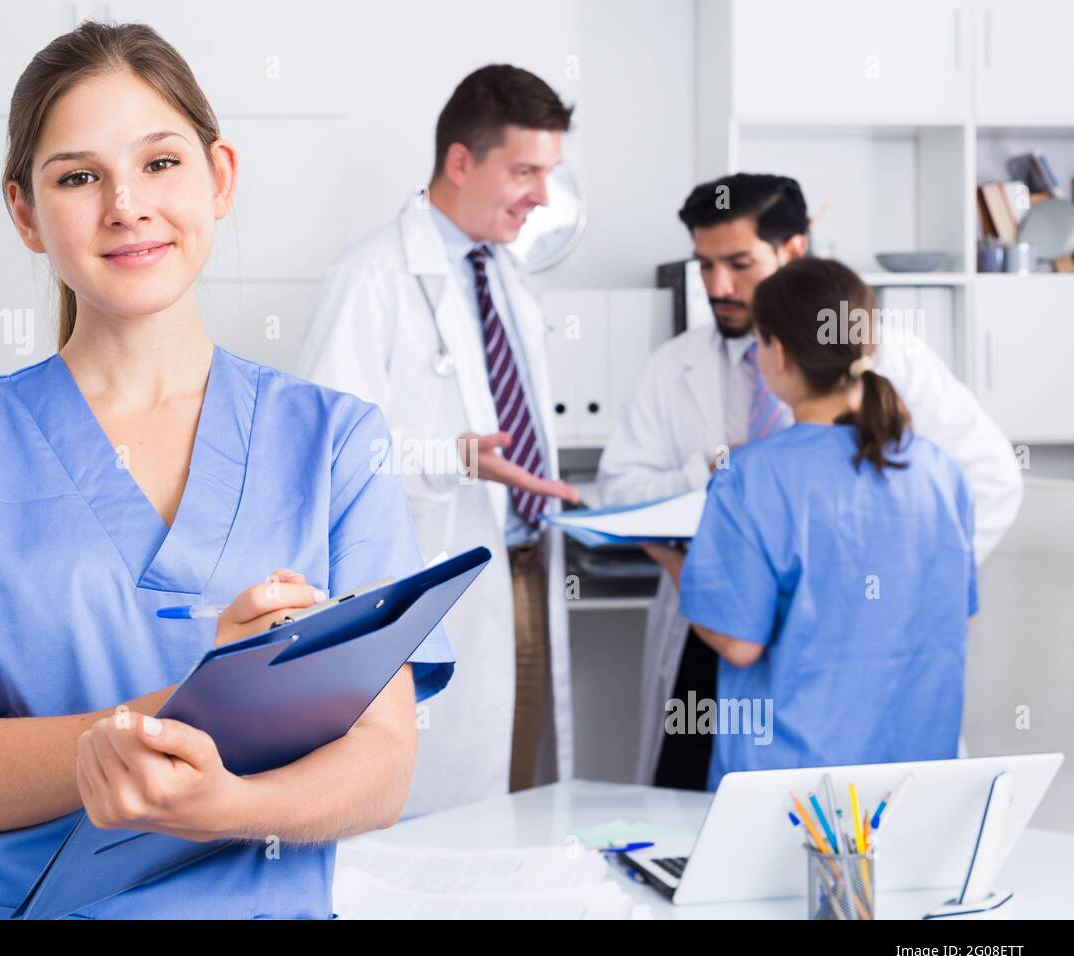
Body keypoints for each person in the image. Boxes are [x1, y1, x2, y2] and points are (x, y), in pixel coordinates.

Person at [0, 21, 453, 920]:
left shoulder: (336, 441)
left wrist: (230, 803)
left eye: (160, 163)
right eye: (78, 176)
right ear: (25, 212)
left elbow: (381, 763)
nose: (126, 205)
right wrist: (211, 701)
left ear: (218, 176)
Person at [597, 173, 1022, 790]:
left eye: (738, 264)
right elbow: (621, 490)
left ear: (791, 250)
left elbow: (993, 477)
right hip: (806, 681)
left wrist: (871, 582)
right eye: (705, 266)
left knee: (757, 854)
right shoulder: (925, 464)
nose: (719, 286)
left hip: (784, 681)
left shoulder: (882, 368)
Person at [297, 66, 579, 812]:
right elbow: (330, 459)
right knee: (440, 814)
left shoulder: (508, 278)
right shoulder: (370, 277)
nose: (542, 197)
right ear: (461, 161)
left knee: (517, 790)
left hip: (523, 574)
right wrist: (449, 456)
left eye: (548, 173)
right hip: (433, 587)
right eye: (525, 171)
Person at [644, 258, 976, 787]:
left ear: (775, 352)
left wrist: (670, 563)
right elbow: (956, 621)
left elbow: (738, 642)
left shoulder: (751, 476)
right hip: (920, 781)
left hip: (790, 789)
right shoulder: (938, 470)